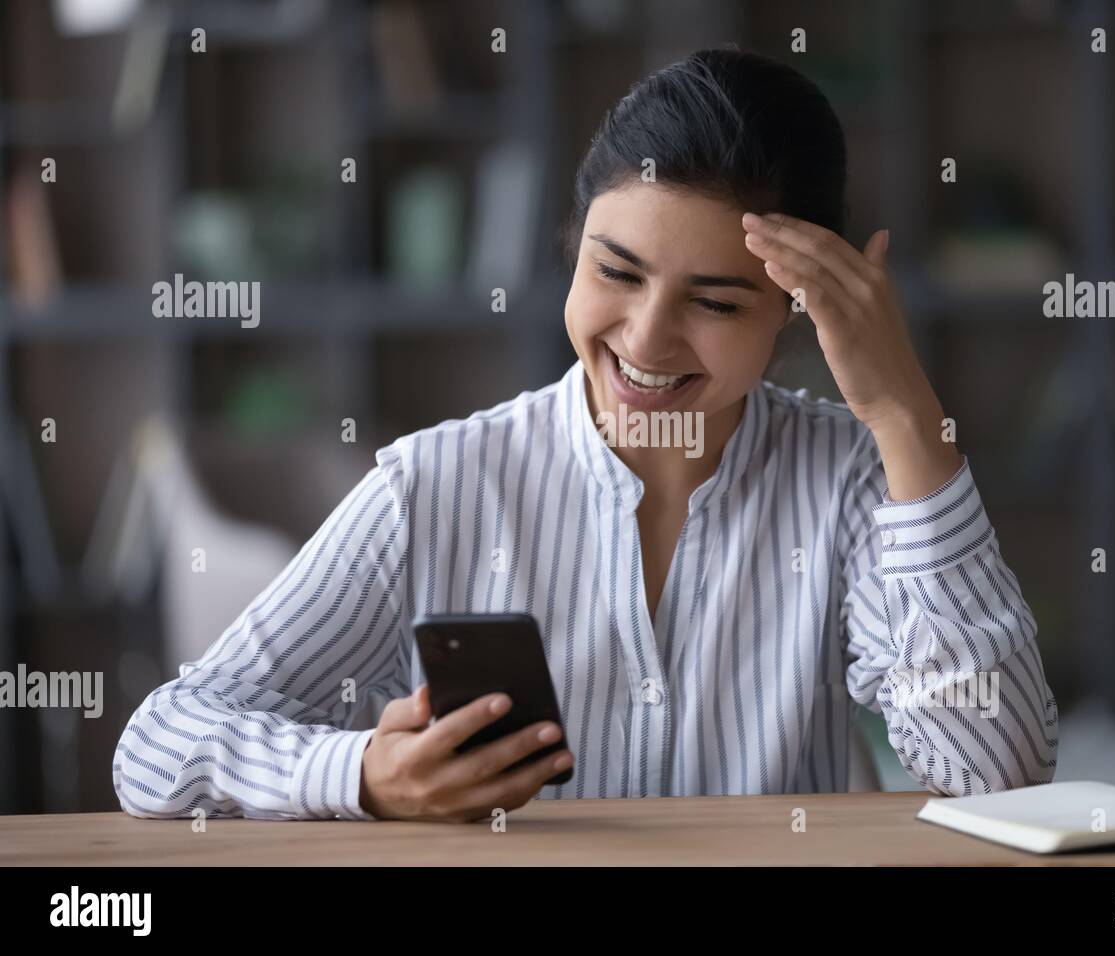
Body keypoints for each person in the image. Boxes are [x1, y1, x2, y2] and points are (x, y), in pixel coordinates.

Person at [113, 47, 1057, 823]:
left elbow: (999, 771)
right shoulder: (437, 484)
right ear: (573, 245)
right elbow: (158, 747)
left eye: (717, 301)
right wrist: (361, 774)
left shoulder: (855, 481)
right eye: (617, 271)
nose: (645, 340)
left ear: (799, 311)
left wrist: (901, 411)